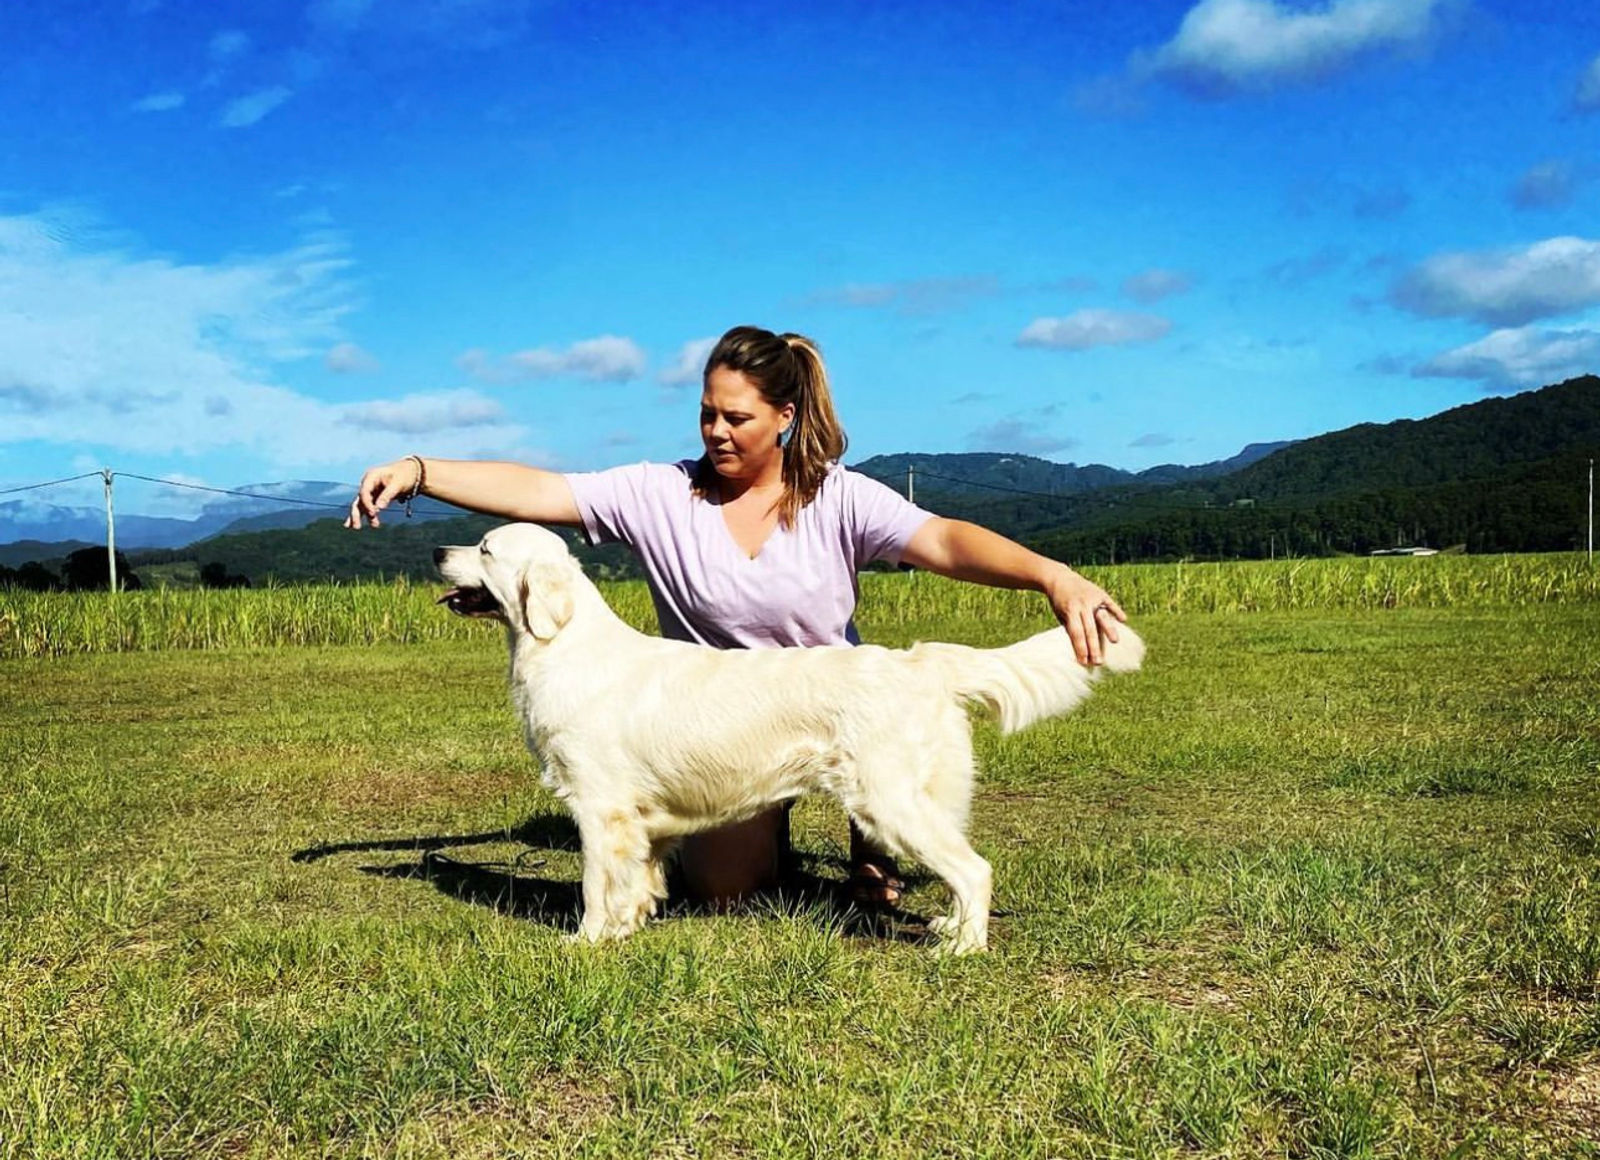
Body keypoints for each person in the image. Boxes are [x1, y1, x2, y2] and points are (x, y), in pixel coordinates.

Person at [346, 324, 1126, 907]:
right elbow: (539, 492)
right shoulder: (660, 493)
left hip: (834, 706)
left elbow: (946, 542)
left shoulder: (839, 494)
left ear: (783, 416)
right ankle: (763, 846)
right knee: (726, 896)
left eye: (737, 418)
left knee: (885, 808)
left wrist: (1052, 577)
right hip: (714, 728)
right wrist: (420, 470)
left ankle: (870, 848)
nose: (716, 431)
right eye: (706, 414)